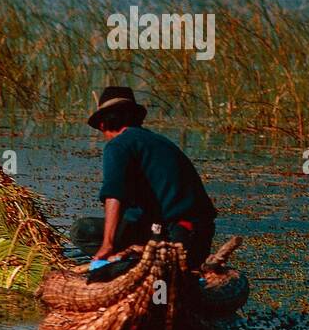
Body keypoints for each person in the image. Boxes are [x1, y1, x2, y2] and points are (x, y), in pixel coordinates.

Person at [69, 86, 218, 269]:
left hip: (177, 237)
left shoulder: (118, 145)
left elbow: (114, 195)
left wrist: (108, 245)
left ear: (102, 124)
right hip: (199, 239)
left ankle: (122, 267)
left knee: (83, 230)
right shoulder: (159, 142)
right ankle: (137, 258)